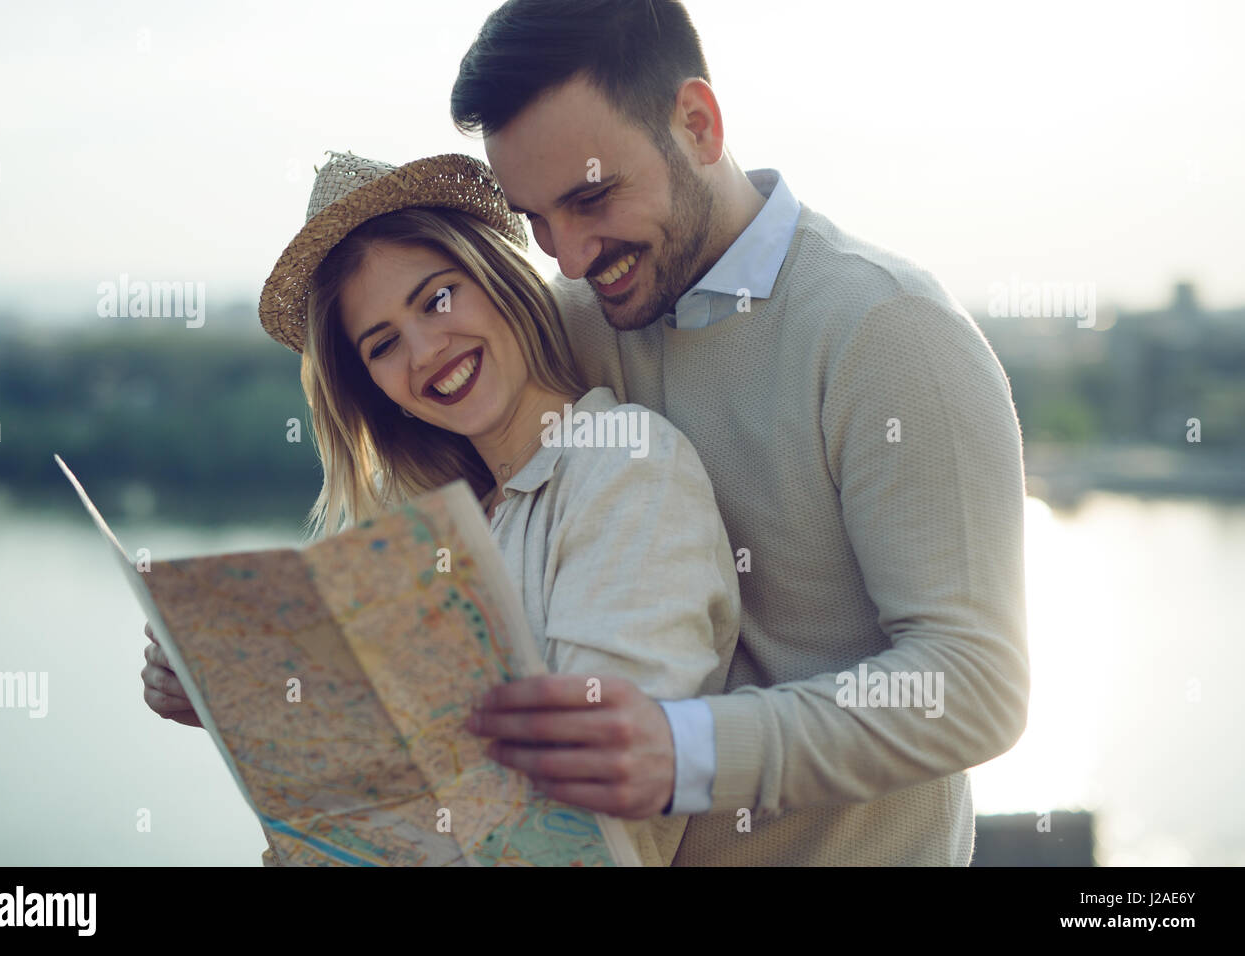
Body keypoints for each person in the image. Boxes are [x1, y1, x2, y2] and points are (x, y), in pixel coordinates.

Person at [454, 0, 1031, 866]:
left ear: (698, 123)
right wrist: (270, 674)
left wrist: (685, 750)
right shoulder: (570, 324)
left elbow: (976, 685)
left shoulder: (889, 332)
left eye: (591, 197)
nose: (567, 257)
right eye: (535, 218)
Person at [140, 150, 740, 866]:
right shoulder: (429, 541)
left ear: (494, 275)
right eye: (383, 344)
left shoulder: (624, 467)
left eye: (437, 299)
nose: (425, 352)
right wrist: (244, 705)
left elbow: (591, 795)